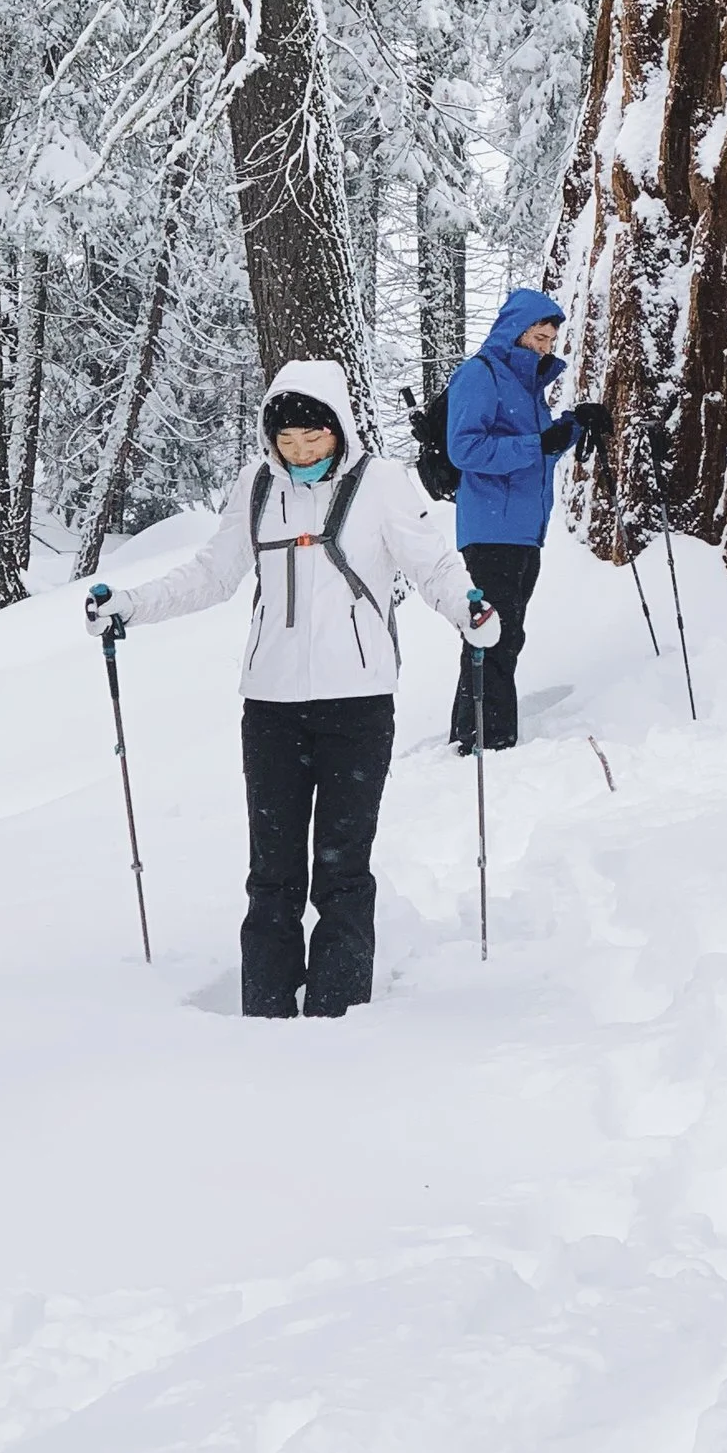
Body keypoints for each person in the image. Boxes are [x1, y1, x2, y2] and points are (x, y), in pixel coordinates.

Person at [83, 361, 491, 1019]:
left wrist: (468, 608)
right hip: (270, 709)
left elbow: (434, 567)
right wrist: (131, 603)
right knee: (271, 876)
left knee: (343, 870)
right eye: (288, 441)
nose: (300, 452)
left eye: (313, 438)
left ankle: (337, 1015)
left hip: (357, 706)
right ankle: (264, 1014)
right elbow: (211, 576)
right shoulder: (256, 487)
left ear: (339, 428)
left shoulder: (382, 486)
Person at [444, 285, 611, 750]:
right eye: (538, 336)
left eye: (550, 342)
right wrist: (537, 442)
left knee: (503, 633)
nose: (544, 347)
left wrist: (574, 426)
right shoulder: (480, 375)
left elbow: (537, 454)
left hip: (522, 531)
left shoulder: (527, 389)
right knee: (496, 634)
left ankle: (472, 732)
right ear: (515, 331)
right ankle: (487, 738)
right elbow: (466, 449)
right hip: (490, 527)